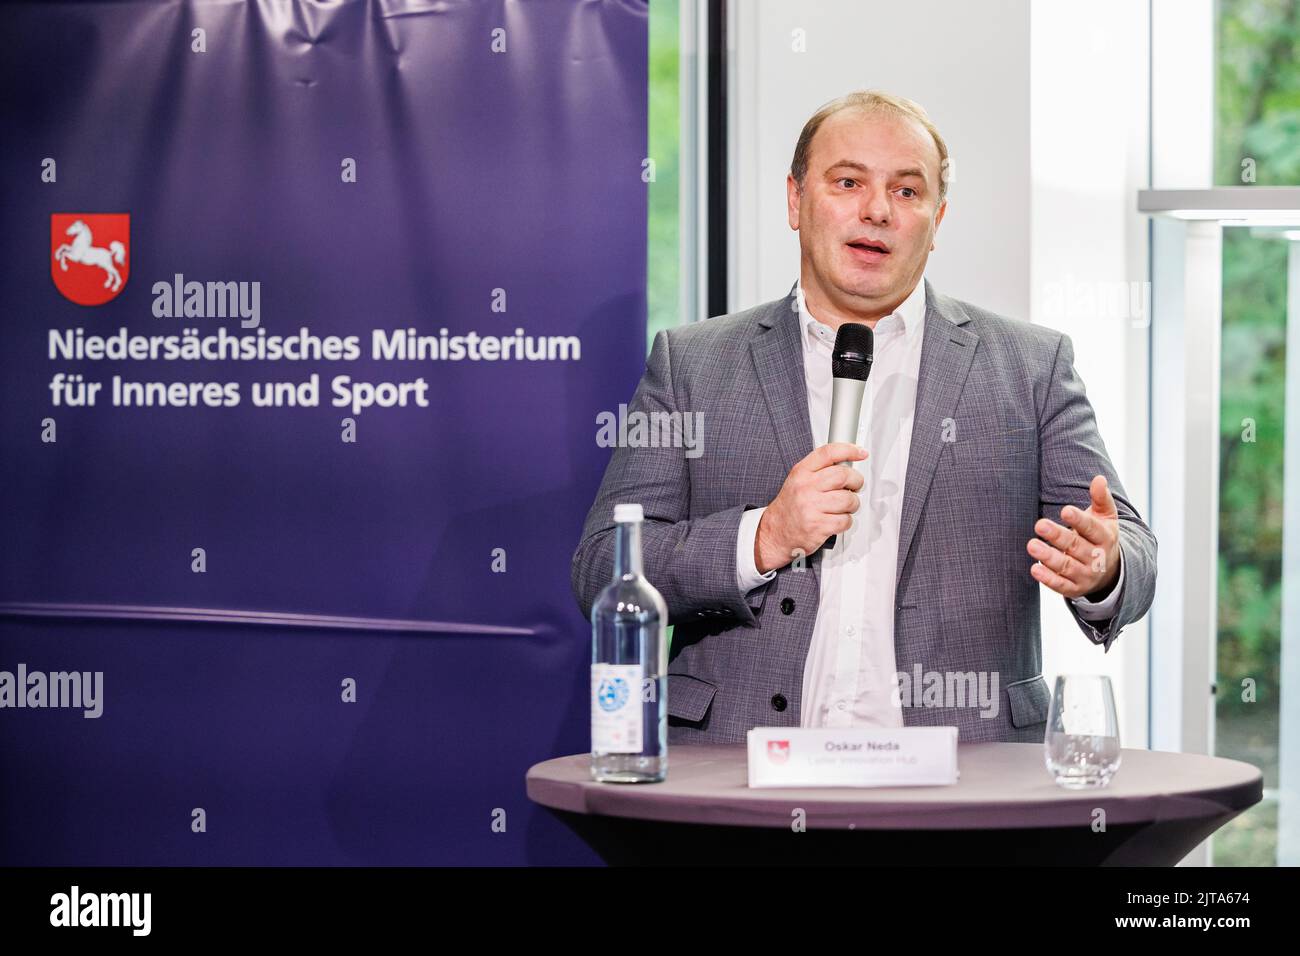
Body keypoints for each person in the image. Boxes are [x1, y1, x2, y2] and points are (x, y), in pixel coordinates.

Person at [571, 90, 1156, 743]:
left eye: (907, 192)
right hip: (741, 775)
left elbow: (1128, 548)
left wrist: (1104, 568)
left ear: (938, 218)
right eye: (848, 182)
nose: (877, 210)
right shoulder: (693, 364)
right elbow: (603, 571)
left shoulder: (1031, 365)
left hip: (966, 781)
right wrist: (762, 537)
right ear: (796, 201)